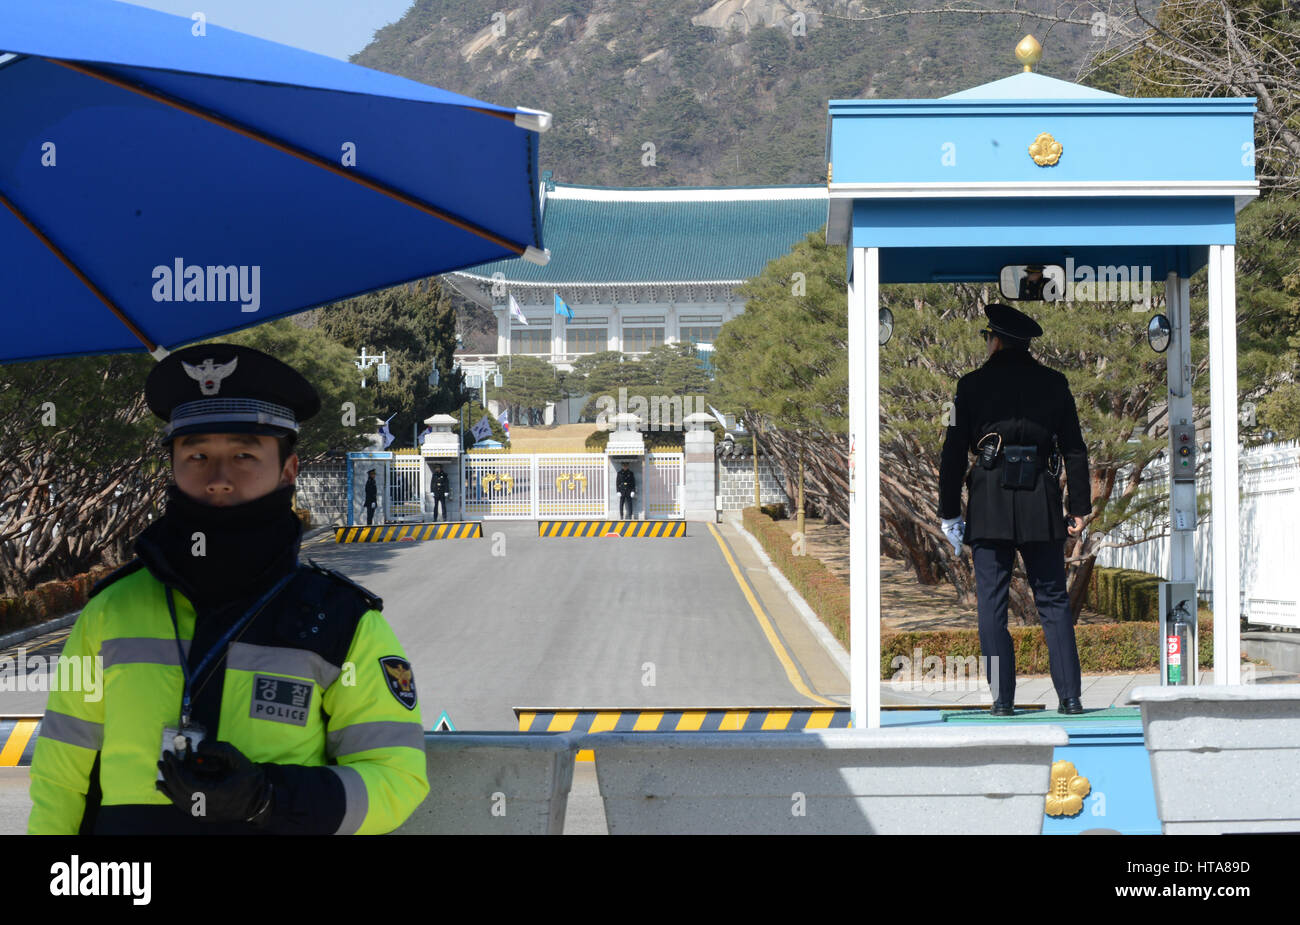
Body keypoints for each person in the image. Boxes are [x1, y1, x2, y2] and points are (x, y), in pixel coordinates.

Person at [27, 343, 429, 834]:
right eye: (197, 455)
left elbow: (397, 778)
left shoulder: (343, 622)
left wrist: (268, 798)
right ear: (172, 465)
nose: (217, 479)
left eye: (243, 455)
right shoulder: (111, 610)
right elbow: (61, 775)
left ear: (288, 469)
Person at [937, 305, 1092, 716]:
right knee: (1054, 601)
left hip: (989, 502)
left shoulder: (969, 386)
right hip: (1040, 500)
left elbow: (953, 452)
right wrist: (1079, 506)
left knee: (991, 604)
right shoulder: (1055, 383)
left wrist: (949, 511)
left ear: (996, 340)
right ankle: (1071, 699)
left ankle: (1002, 700)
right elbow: (1075, 447)